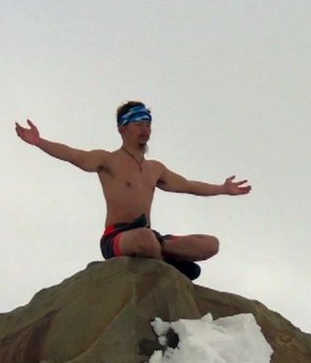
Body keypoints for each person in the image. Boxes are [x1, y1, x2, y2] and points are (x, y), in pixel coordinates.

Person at [14, 101, 250, 280]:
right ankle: (167, 273)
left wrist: (223, 189)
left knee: (210, 244)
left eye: (148, 124)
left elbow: (188, 185)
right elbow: (73, 155)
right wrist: (39, 142)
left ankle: (163, 258)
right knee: (145, 239)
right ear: (122, 128)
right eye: (139, 124)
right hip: (117, 238)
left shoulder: (154, 168)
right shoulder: (107, 160)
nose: (145, 129)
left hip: (150, 237)